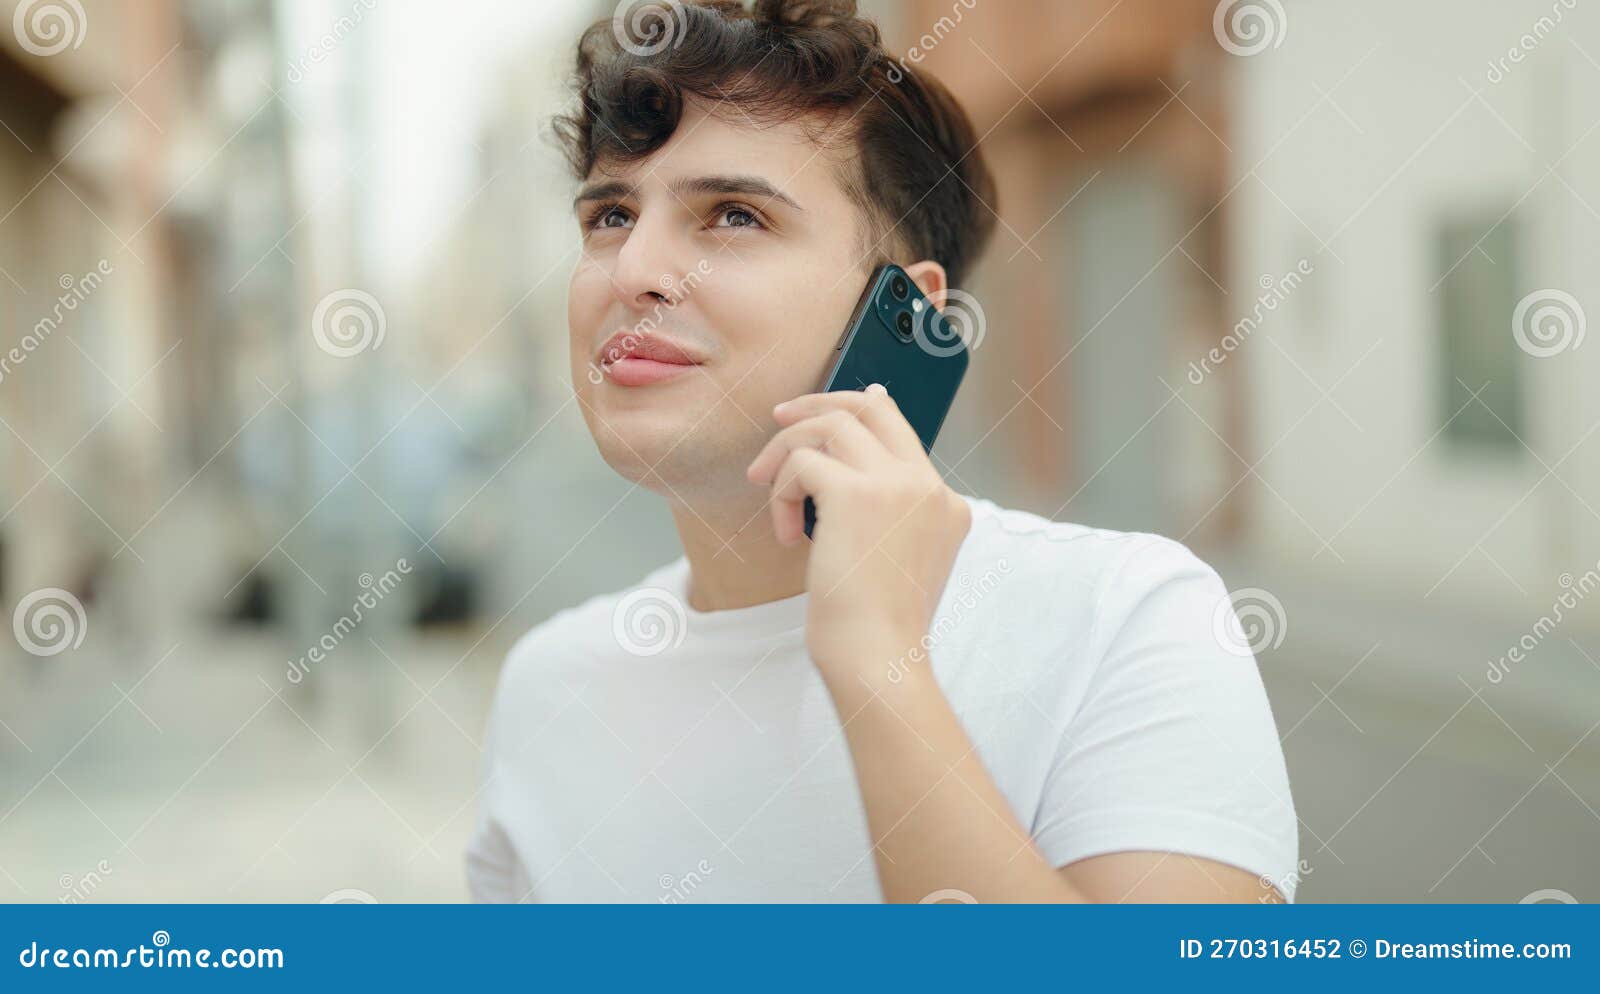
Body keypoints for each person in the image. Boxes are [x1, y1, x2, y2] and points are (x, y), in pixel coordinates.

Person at [466, 0, 1298, 903]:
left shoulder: (1127, 619)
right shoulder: (551, 686)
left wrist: (877, 663)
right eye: (612, 216)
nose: (632, 273)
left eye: (734, 216)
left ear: (907, 313)